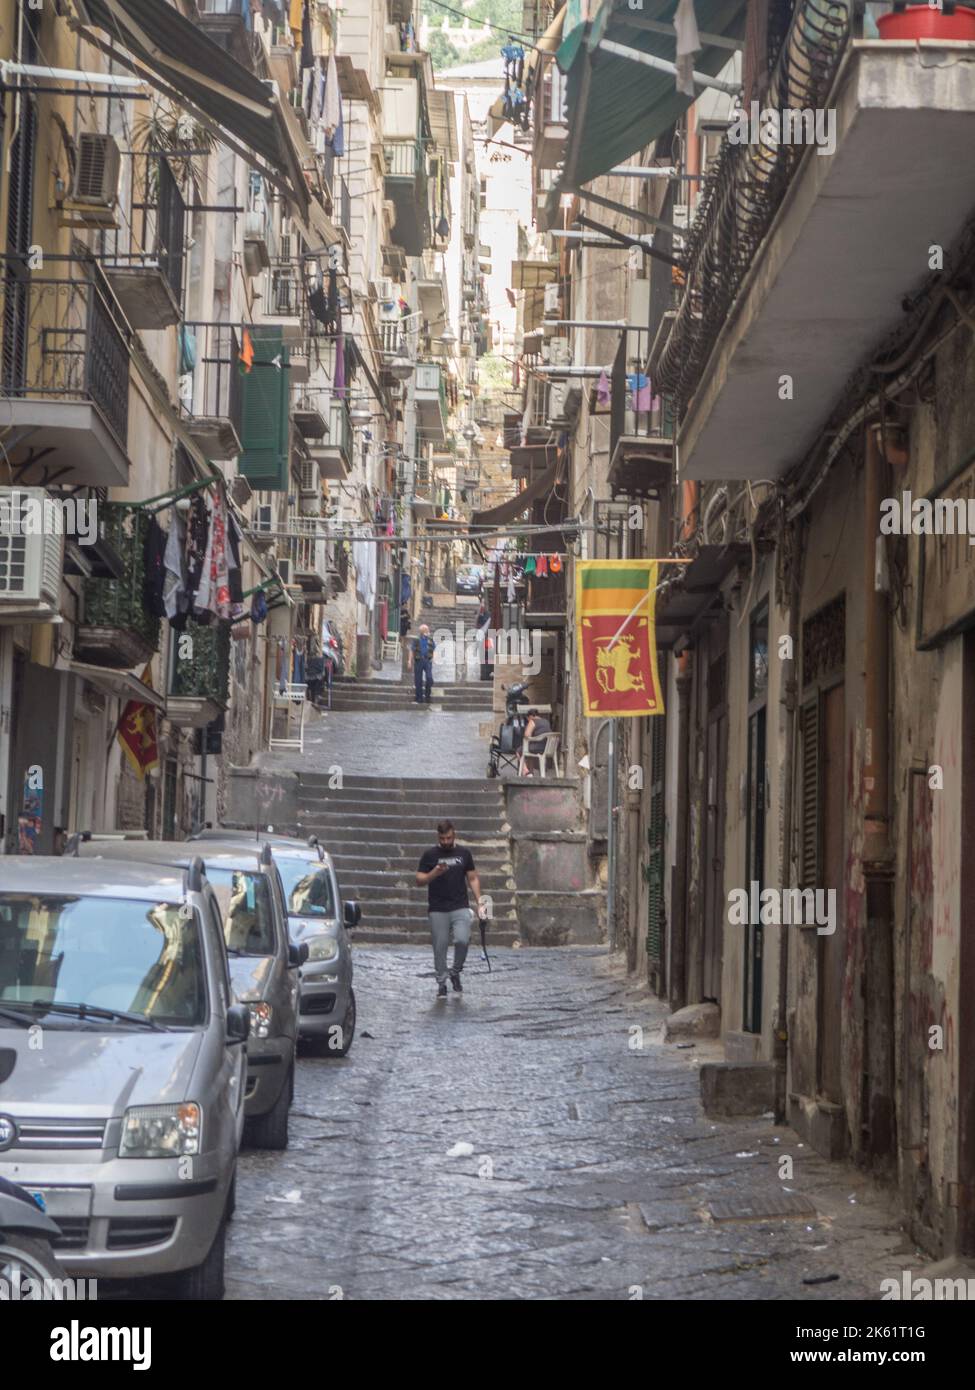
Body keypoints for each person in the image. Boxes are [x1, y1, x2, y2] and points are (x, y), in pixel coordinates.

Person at [415, 820, 486, 997]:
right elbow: (418, 880)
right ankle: (441, 981)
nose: (445, 841)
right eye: (442, 838)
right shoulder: (430, 855)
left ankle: (455, 971)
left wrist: (480, 902)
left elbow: (473, 878)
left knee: (462, 940)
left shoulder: (464, 853)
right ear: (438, 837)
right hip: (438, 907)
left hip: (459, 905)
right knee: (440, 947)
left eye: (448, 838)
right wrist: (434, 873)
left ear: (454, 834)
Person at [408, 623, 436, 704]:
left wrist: (434, 658)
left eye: (427, 630)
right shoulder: (416, 640)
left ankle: (427, 696)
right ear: (422, 631)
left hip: (428, 661)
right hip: (418, 661)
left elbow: (434, 649)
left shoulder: (430, 640)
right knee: (418, 680)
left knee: (429, 678)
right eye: (426, 630)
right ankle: (419, 698)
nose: (428, 631)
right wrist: (409, 661)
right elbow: (411, 650)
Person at [520, 708, 552, 774]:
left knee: (519, 750)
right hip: (547, 747)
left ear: (530, 716)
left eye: (528, 719)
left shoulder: (533, 721)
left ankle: (526, 770)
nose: (528, 721)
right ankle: (531, 772)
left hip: (537, 747)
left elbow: (526, 735)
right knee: (529, 750)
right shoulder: (546, 721)